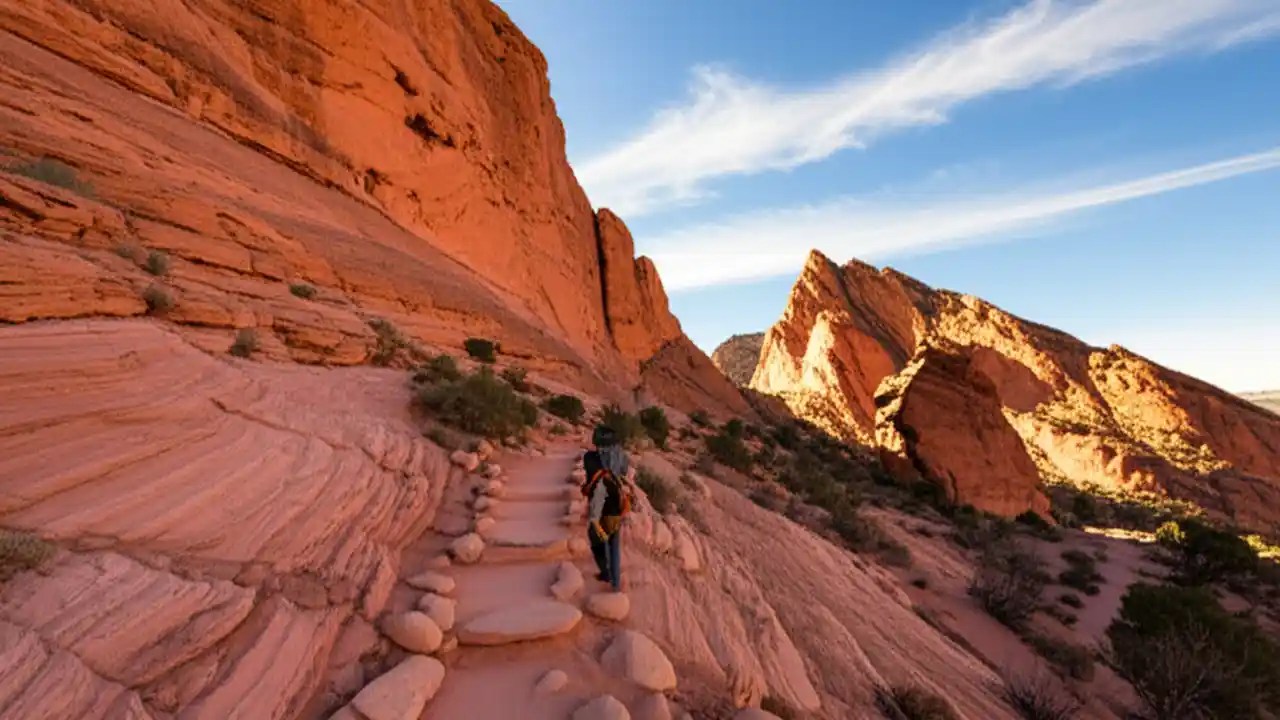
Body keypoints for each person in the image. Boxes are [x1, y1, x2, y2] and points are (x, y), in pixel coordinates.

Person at [582, 424, 630, 591]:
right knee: (614, 542)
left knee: (597, 539)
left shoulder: (589, 458)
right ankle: (615, 584)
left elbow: (589, 478)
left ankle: (606, 573)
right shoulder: (622, 457)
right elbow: (624, 471)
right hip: (615, 502)